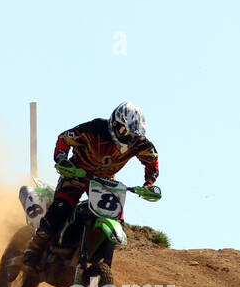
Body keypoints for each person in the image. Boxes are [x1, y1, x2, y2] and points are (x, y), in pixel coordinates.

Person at [22, 101, 159, 268]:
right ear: (114, 124)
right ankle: (34, 248)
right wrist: (62, 159)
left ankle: (98, 258)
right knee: (61, 208)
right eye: (124, 131)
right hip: (77, 173)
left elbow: (152, 162)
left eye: (133, 135)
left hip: (105, 181)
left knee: (117, 218)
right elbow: (65, 138)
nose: (129, 138)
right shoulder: (95, 129)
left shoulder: (141, 143)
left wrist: (148, 184)